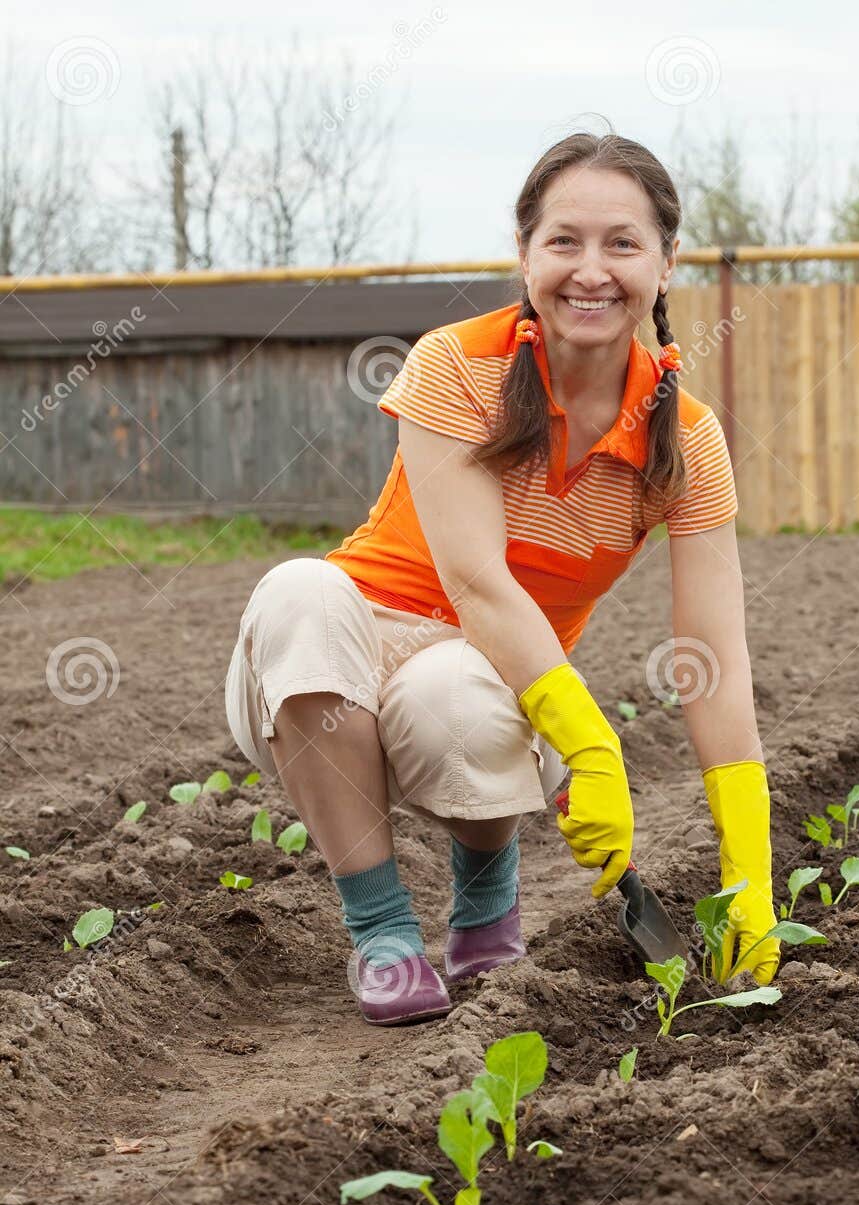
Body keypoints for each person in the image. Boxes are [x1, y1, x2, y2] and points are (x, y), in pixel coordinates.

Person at [224, 129, 780, 1027]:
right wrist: (593, 747)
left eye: (622, 243)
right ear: (523, 253)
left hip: (490, 679)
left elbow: (713, 653)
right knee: (298, 588)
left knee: (458, 685)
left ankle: (484, 907)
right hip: (337, 658)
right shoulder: (455, 364)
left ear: (666, 263)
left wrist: (748, 875)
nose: (589, 270)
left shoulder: (686, 439)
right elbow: (477, 583)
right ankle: (383, 931)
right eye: (563, 241)